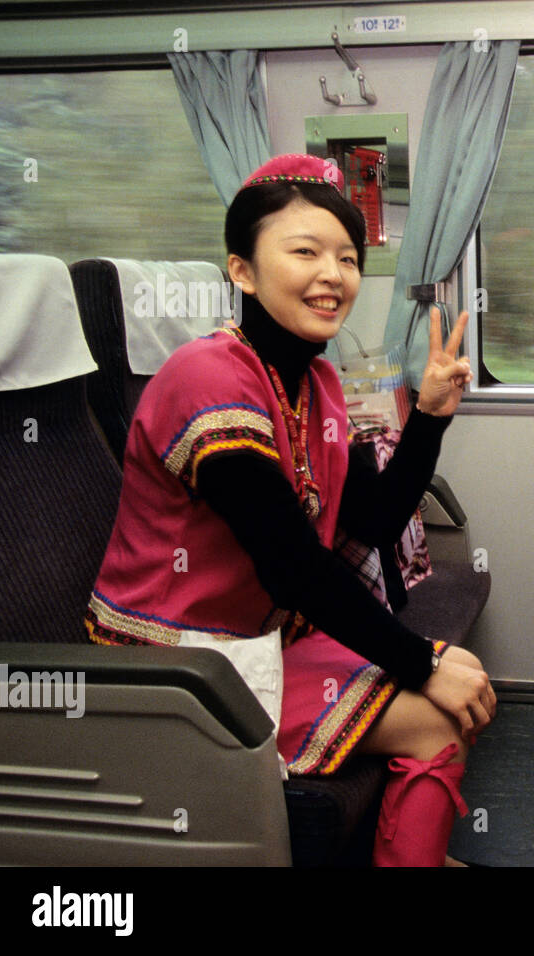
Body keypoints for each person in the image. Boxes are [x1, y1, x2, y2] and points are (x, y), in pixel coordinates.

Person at [84, 154, 496, 867]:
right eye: (303, 251)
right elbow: (292, 565)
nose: (332, 274)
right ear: (242, 270)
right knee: (441, 714)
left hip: (266, 638)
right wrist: (419, 659)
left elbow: (371, 520)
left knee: (466, 685)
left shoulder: (318, 382)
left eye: (346, 256)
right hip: (178, 661)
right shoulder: (207, 377)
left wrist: (428, 417)